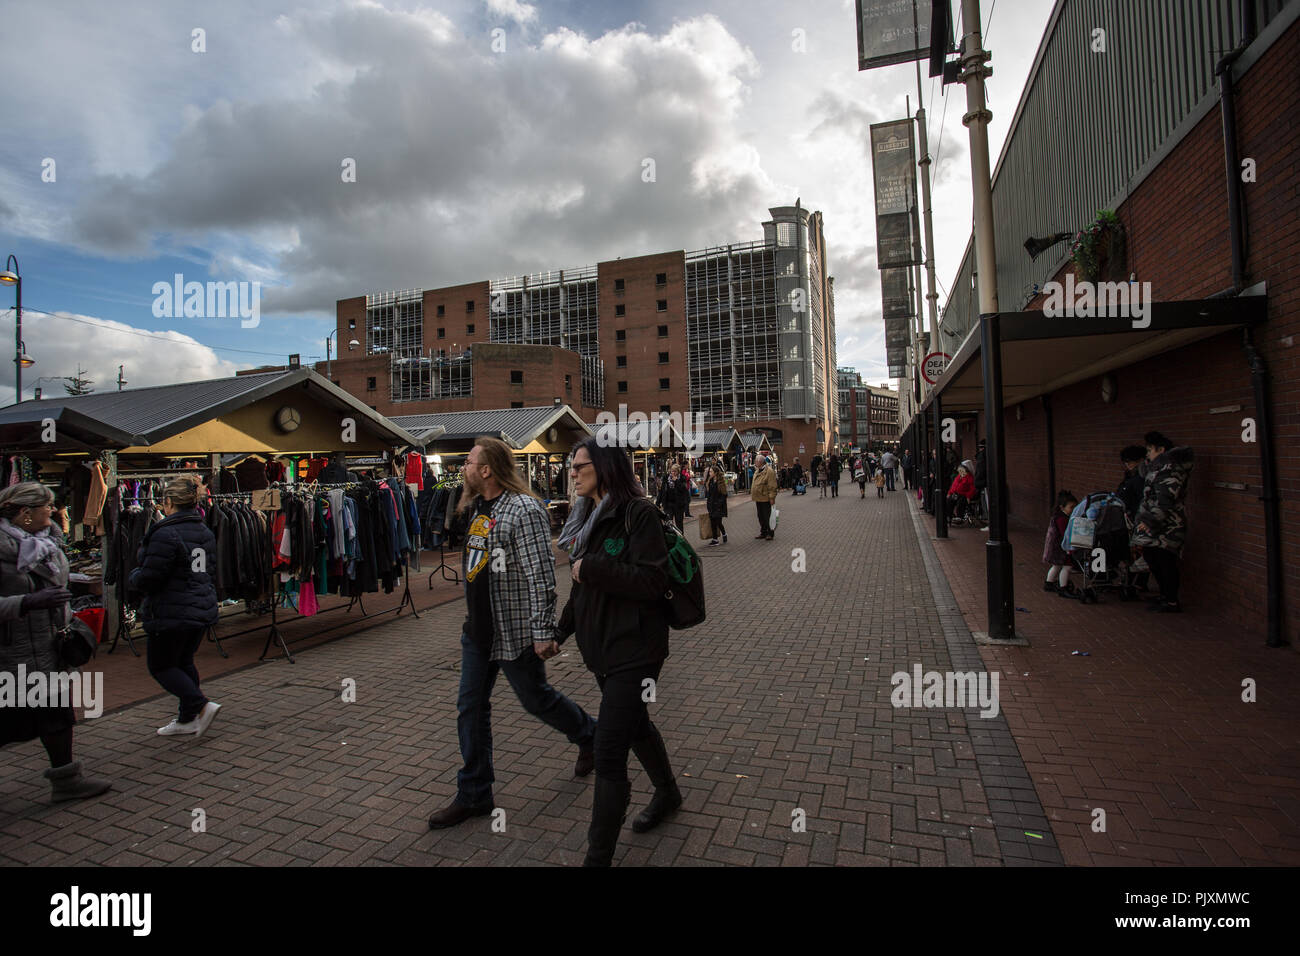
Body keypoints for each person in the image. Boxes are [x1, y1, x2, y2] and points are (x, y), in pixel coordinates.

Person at [426, 437, 597, 830]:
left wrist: (542, 631)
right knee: (470, 709)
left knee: (536, 699)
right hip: (478, 634)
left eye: (468, 462)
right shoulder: (476, 507)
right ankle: (474, 794)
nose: (463, 468)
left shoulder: (523, 509)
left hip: (514, 631)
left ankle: (590, 734)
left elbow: (541, 575)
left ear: (486, 469)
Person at [553, 438, 679, 866]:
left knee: (608, 751)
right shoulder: (587, 517)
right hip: (603, 650)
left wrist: (594, 567)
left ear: (604, 468)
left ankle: (598, 857)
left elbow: (651, 581)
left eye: (579, 465)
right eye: (572, 466)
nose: (572, 473)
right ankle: (668, 793)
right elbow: (581, 590)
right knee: (636, 724)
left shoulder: (637, 514)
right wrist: (559, 633)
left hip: (636, 652)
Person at [0, 482, 112, 803]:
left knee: (57, 716)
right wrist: (25, 602)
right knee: (8, 719)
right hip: (11, 652)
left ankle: (66, 781)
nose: (53, 512)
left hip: (49, 647)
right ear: (24, 513)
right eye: (46, 507)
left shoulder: (46, 542)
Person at [130, 476, 222, 737]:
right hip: (199, 605)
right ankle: (187, 719)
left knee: (161, 665)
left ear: (168, 502)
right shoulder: (203, 531)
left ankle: (200, 706)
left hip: (171, 609)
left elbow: (151, 576)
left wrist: (135, 577)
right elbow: (204, 570)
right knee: (182, 661)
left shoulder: (165, 533)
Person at [1131, 431, 1194, 613]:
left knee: (1165, 561)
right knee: (1152, 558)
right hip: (1156, 523)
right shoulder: (1155, 469)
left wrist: (1149, 520)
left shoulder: (1170, 469)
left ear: (1161, 449)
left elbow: (1165, 499)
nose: (1147, 454)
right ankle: (1165, 595)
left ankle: (1171, 600)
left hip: (1169, 525)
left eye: (1150, 450)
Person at [1043, 490, 1079, 597]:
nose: (1073, 510)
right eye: (1071, 507)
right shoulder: (1062, 519)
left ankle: (1049, 583)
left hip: (1056, 547)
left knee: (1057, 566)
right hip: (1060, 548)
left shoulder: (1059, 517)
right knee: (1067, 566)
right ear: (1062, 507)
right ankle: (1063, 588)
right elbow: (1065, 534)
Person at [1116, 445, 1147, 520]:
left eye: (1130, 461)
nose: (1127, 464)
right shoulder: (1129, 475)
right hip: (1127, 514)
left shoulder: (1140, 478)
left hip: (1136, 516)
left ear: (1140, 460)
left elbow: (1142, 499)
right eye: (1125, 462)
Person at [750, 455, 777, 540]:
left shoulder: (769, 471)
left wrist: (772, 498)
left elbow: (772, 486)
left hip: (765, 498)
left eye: (755, 461)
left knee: (767, 516)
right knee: (760, 516)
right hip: (758, 498)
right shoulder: (757, 471)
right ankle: (763, 532)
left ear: (760, 462)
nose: (754, 463)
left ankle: (770, 533)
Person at [656, 463, 689, 532]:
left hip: (678, 504)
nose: (673, 473)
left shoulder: (682, 478)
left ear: (678, 471)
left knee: (679, 523)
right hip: (668, 504)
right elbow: (662, 491)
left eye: (674, 471)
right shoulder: (666, 478)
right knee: (668, 523)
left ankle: (680, 539)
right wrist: (658, 503)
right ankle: (671, 538)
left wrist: (676, 481)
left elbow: (684, 489)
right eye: (672, 471)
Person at [705, 464, 728, 546]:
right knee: (712, 523)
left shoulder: (720, 482)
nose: (709, 473)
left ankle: (724, 534)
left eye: (711, 471)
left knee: (718, 522)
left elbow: (724, 495)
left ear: (715, 473)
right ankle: (715, 539)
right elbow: (709, 494)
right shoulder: (710, 481)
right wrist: (708, 503)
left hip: (718, 506)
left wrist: (719, 503)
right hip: (711, 505)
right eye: (709, 471)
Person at [973, 440, 988, 530]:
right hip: (984, 482)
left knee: (986, 503)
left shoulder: (982, 457)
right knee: (985, 502)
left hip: (983, 483)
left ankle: (991, 524)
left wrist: (977, 482)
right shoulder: (985, 456)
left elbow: (980, 471)